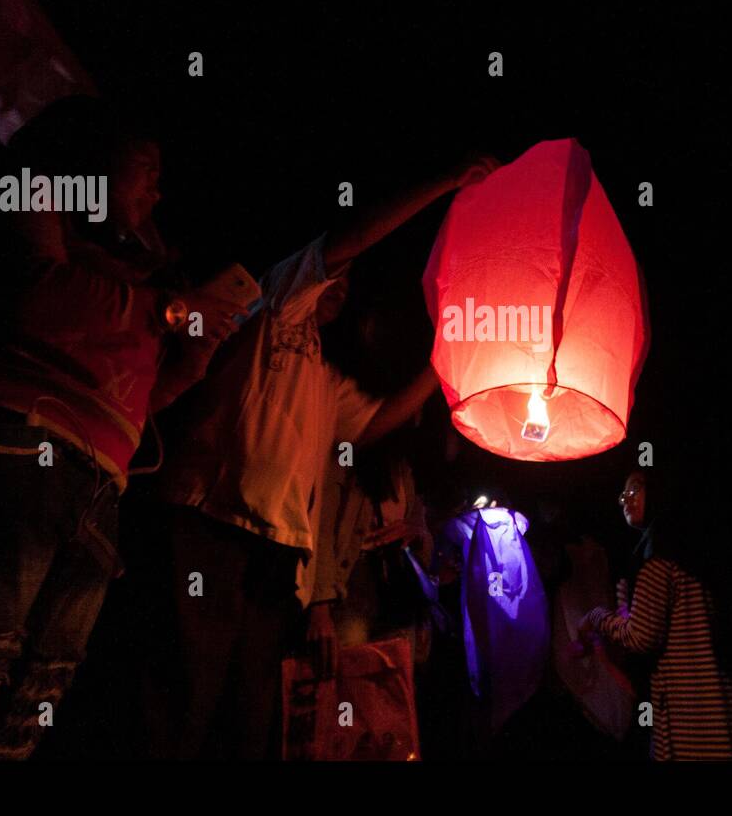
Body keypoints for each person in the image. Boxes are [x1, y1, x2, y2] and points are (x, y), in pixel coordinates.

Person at [141, 154, 498, 759]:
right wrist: (445, 179)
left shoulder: (323, 378)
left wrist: (456, 351)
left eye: (349, 283)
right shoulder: (271, 304)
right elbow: (350, 237)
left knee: (250, 715)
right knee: (183, 698)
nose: (343, 286)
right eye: (337, 274)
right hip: (210, 524)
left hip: (277, 553)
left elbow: (375, 420)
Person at [0, 97, 242, 760]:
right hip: (26, 444)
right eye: (144, 166)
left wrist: (195, 358)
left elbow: (138, 406)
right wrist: (175, 311)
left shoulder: (135, 274)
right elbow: (39, 290)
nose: (157, 188)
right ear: (94, 154)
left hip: (101, 483)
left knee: (40, 689)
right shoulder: (34, 189)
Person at [578, 468, 732, 761]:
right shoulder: (712, 547)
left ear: (662, 490)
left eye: (635, 489)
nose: (624, 499)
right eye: (623, 494)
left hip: (700, 731)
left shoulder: (658, 555)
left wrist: (596, 617)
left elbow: (641, 637)